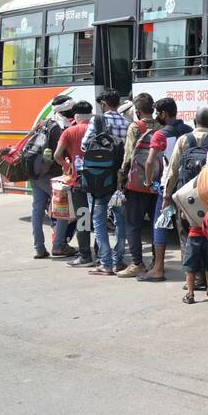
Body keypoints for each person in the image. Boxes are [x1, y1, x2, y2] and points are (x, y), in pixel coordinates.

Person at [135, 97, 191, 283]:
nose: (157, 116)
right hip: (189, 186)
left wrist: (149, 182)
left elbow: (150, 162)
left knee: (160, 225)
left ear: (164, 114)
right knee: (189, 228)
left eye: (158, 113)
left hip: (168, 186)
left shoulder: (161, 135)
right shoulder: (188, 130)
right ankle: (193, 273)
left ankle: (158, 268)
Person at [167, 106, 208, 299]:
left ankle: (193, 280)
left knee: (186, 238)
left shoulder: (184, 140)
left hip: (186, 200)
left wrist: (167, 195)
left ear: (194, 121)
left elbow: (173, 170)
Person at [83, 89, 131, 277]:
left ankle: (106, 262)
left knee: (99, 220)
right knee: (120, 219)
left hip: (99, 178)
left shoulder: (98, 120)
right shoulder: (127, 123)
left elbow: (85, 145)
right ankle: (118, 260)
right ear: (118, 103)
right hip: (119, 178)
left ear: (103, 104)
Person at [116, 93, 159, 278]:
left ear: (138, 111)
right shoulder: (162, 126)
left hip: (137, 184)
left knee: (133, 225)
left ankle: (137, 263)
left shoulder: (135, 127)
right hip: (158, 182)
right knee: (157, 225)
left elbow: (128, 156)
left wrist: (122, 178)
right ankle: (157, 263)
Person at [52, 100, 95, 267]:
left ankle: (85, 255)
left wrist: (67, 166)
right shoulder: (99, 129)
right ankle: (102, 252)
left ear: (76, 115)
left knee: (83, 217)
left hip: (79, 182)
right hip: (101, 182)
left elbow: (57, 155)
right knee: (99, 218)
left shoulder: (70, 131)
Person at [29, 106, 74, 260]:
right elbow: (61, 153)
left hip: (34, 173)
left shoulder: (41, 124)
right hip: (50, 175)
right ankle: (58, 246)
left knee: (37, 211)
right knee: (62, 209)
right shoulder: (57, 129)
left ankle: (39, 248)